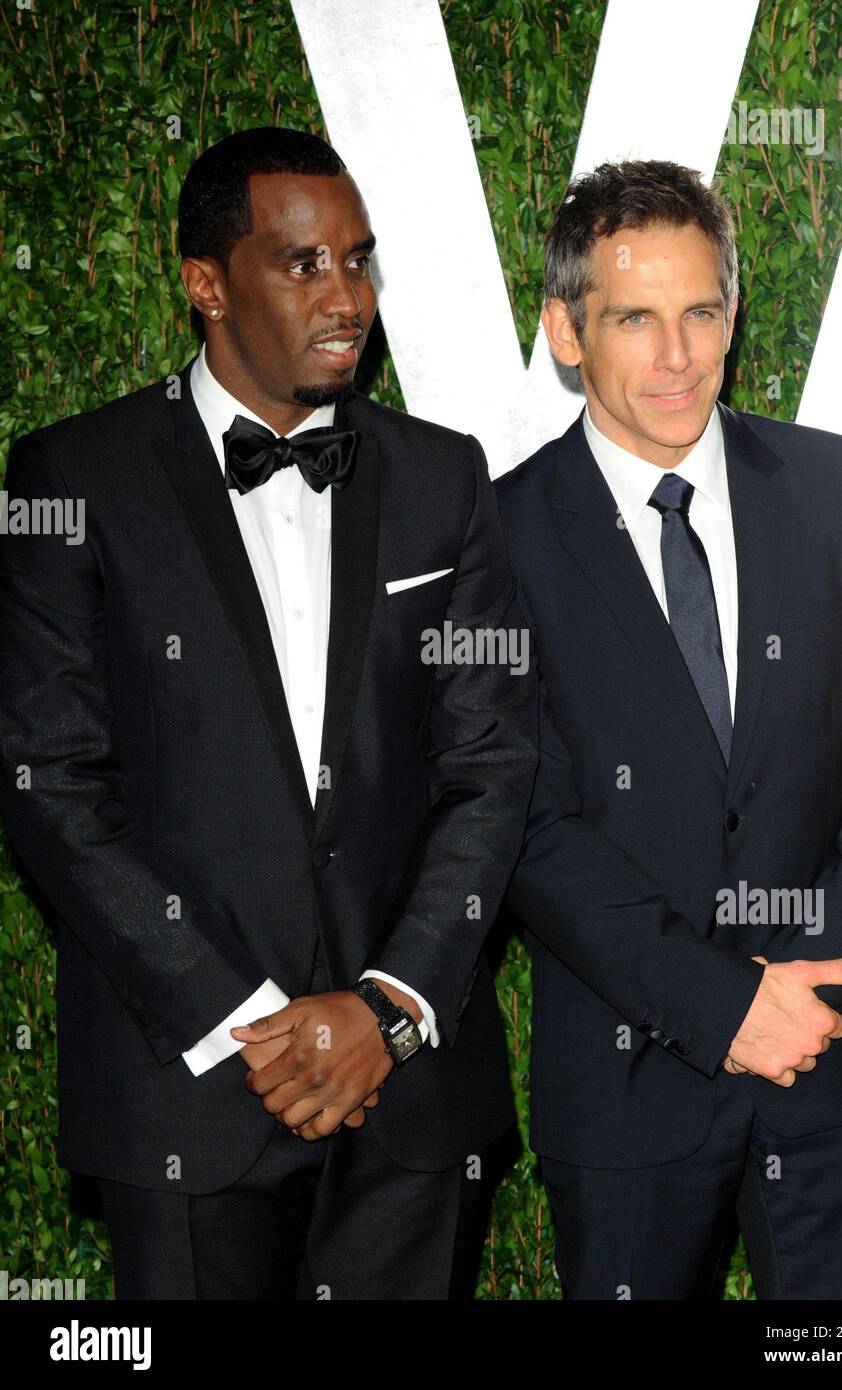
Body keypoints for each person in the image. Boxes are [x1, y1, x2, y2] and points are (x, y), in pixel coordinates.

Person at [0, 126, 537, 1300]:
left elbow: (491, 765)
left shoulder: (444, 479)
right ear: (204, 283)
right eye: (303, 264)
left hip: (409, 1100)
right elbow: (48, 779)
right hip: (184, 1088)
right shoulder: (69, 479)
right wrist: (252, 1021)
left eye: (358, 261)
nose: (346, 296)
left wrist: (386, 1009)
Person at [494, 159, 842, 1300]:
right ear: (564, 328)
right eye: (634, 318)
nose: (677, 355)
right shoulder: (498, 537)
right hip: (626, 1083)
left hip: (830, 1064)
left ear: (732, 313)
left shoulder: (837, 487)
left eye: (701, 312)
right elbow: (523, 822)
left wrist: (804, 987)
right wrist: (722, 1003)